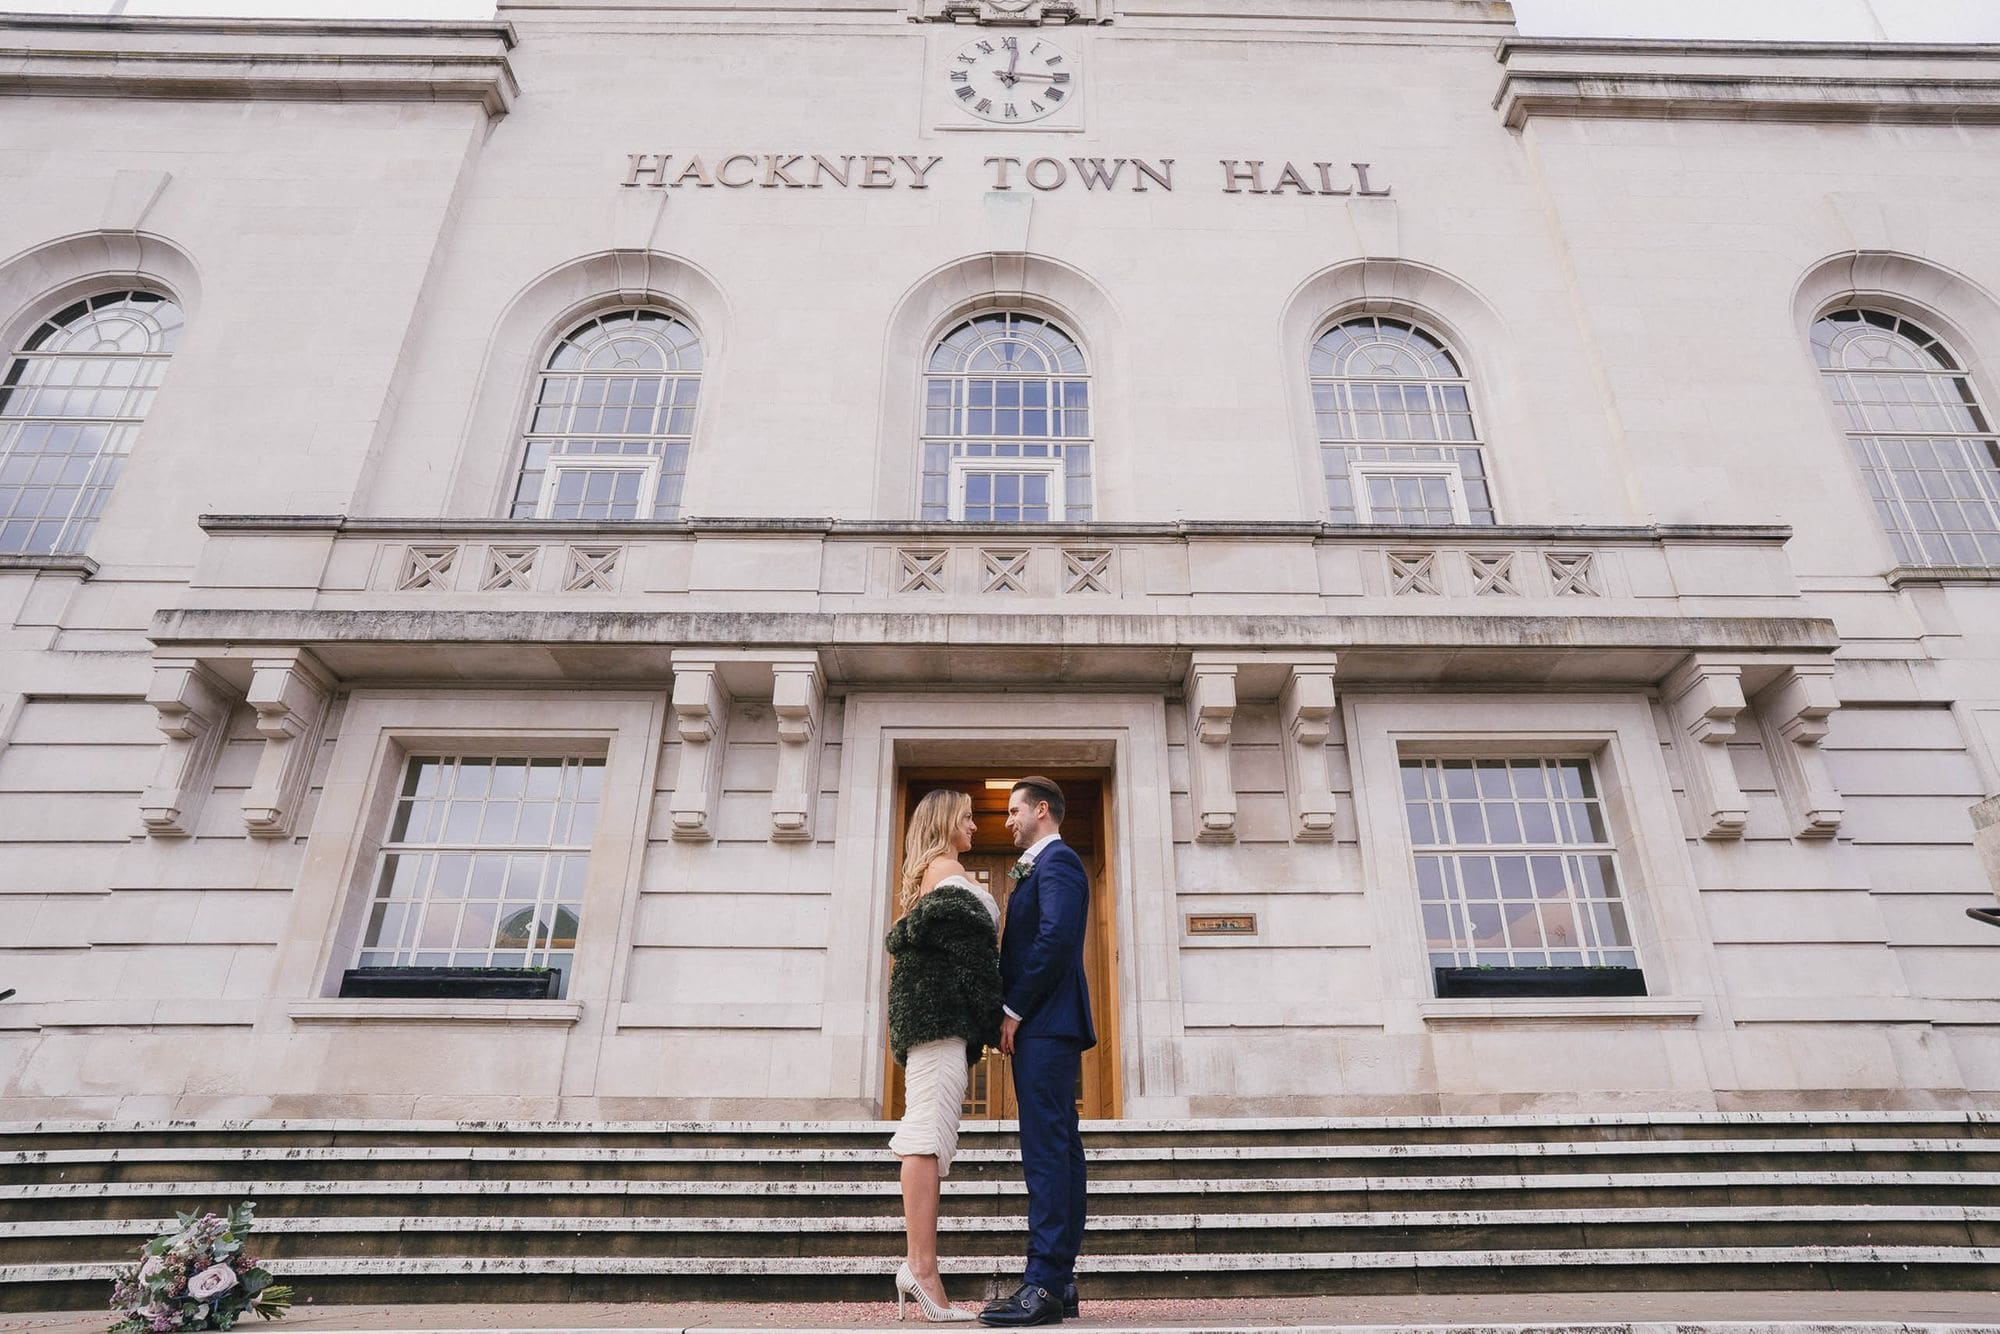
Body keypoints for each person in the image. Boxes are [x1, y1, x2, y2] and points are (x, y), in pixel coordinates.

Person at [980, 777, 1093, 1328]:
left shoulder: (1060, 863)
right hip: (1048, 1025)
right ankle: (1061, 1281)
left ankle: (1044, 1283)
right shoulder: (1042, 865)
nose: (1008, 820)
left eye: (1013, 810)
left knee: (1046, 1151)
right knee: (1060, 1148)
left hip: (1046, 1024)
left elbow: (1055, 939)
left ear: (1041, 810)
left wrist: (1014, 1010)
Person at [886, 788, 1003, 1323]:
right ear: (945, 822)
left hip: (935, 1024)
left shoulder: (932, 873)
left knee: (931, 1136)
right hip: (940, 1023)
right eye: (968, 818)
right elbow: (972, 961)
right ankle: (921, 1268)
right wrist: (995, 1019)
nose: (975, 826)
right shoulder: (946, 868)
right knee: (926, 1136)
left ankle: (922, 1267)